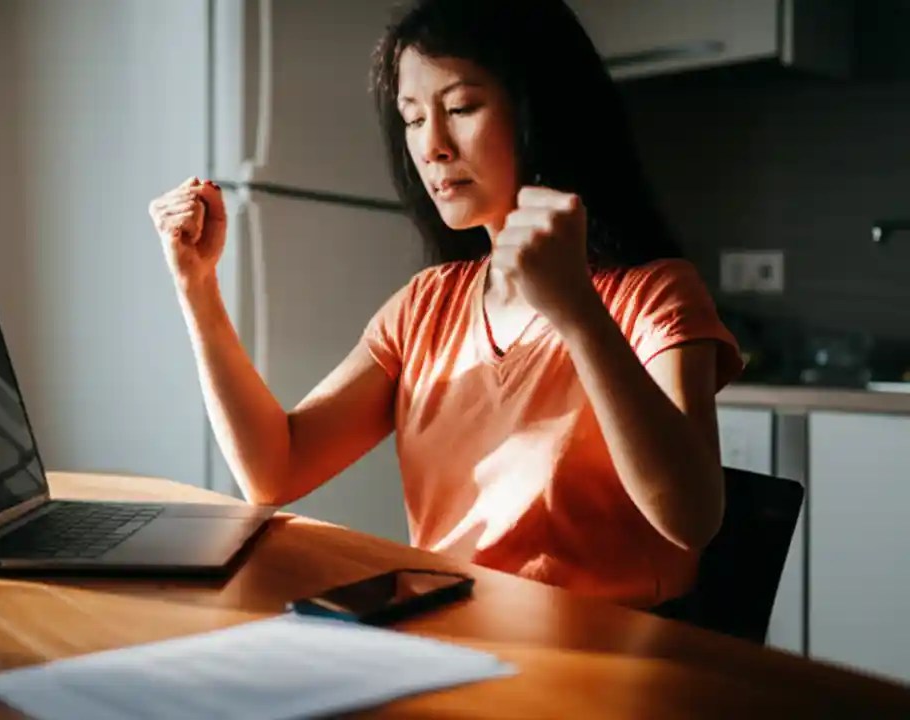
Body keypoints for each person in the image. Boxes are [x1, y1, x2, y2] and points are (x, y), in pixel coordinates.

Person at [146, 0, 741, 609]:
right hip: (453, 641)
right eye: (411, 118)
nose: (431, 146)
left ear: (543, 111)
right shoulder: (425, 306)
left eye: (460, 108)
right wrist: (197, 287)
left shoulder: (654, 296)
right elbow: (275, 469)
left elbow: (690, 518)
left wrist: (578, 312)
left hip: (601, 669)